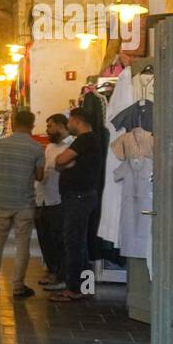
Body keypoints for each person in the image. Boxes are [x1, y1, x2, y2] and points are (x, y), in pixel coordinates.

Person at [0, 109, 45, 298]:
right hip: (24, 202)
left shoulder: (0, 144)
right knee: (22, 244)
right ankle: (18, 285)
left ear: (14, 123)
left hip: (2, 200)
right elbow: (40, 176)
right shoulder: (36, 147)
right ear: (32, 125)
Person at [51, 107, 103, 302]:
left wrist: (65, 163)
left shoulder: (85, 139)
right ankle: (85, 287)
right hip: (83, 196)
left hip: (78, 197)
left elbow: (60, 160)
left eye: (69, 121)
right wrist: (65, 164)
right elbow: (61, 164)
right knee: (81, 242)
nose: (68, 125)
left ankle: (73, 289)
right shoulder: (92, 139)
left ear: (77, 121)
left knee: (74, 241)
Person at [35, 114, 73, 291]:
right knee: (45, 237)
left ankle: (61, 275)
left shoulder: (71, 146)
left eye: (50, 126)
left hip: (58, 199)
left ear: (60, 126)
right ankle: (51, 270)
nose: (47, 130)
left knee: (59, 238)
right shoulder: (50, 147)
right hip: (42, 198)